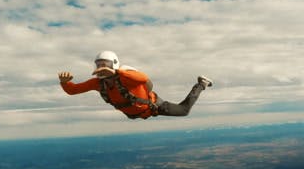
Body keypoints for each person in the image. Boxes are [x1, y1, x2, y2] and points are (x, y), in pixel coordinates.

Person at [58, 50, 212, 119]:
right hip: (133, 114)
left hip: (155, 107)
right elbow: (74, 90)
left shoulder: (126, 76)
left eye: (105, 64)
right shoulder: (98, 83)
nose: (101, 67)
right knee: (133, 115)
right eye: (98, 64)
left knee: (184, 111)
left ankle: (201, 84)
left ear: (114, 64)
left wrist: (117, 73)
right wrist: (65, 83)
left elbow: (143, 79)